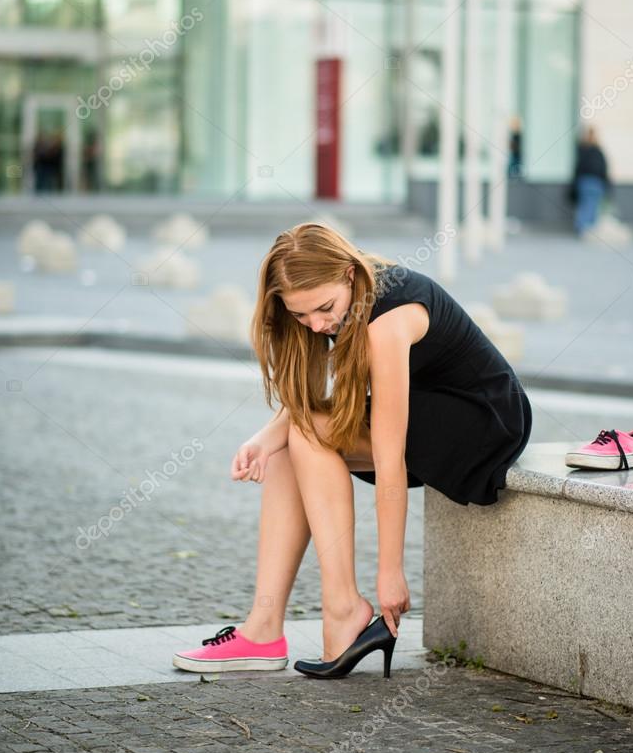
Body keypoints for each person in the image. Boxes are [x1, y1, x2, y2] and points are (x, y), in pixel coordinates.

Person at [172, 223, 532, 680]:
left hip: (482, 423)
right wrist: (267, 435)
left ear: (347, 274)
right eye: (302, 317)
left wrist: (390, 573)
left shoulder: (389, 318)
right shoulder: (338, 304)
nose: (318, 325)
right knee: (291, 439)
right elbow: (318, 404)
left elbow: (388, 454)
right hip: (424, 410)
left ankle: (343, 609)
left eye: (324, 309)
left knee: (307, 433)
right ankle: (263, 630)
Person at [570, 126, 612, 236]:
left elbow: (578, 168)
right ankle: (587, 229)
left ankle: (582, 228)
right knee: (592, 206)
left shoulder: (582, 150)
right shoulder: (598, 151)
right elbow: (604, 169)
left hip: (585, 181)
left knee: (585, 205)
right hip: (595, 182)